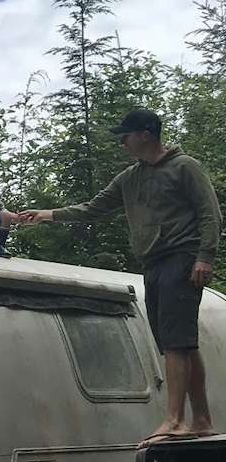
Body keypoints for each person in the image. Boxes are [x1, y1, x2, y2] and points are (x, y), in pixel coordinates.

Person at [19, 108, 221, 443]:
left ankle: (174, 420)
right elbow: (93, 207)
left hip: (182, 256)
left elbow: (209, 213)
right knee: (182, 342)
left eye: (125, 136)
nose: (122, 142)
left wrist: (205, 256)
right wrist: (47, 215)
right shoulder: (131, 177)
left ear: (145, 134)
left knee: (176, 342)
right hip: (153, 263)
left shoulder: (185, 167)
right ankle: (200, 419)